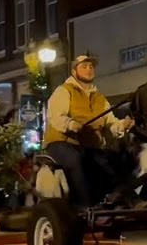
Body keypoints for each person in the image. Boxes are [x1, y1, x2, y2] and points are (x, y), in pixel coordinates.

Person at [42, 52, 135, 208]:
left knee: (111, 162)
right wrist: (71, 124)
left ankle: (121, 200)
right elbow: (56, 116)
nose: (89, 69)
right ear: (74, 71)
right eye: (84, 66)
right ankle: (84, 205)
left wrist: (122, 126)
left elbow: (110, 123)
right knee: (75, 161)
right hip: (63, 141)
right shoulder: (64, 91)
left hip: (88, 145)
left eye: (91, 66)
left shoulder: (99, 98)